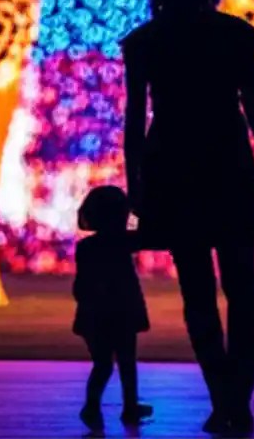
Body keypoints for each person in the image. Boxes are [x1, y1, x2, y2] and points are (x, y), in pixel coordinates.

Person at [123, 0, 254, 436]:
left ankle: (224, 396)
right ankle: (238, 395)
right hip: (226, 162)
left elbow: (135, 125)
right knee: (242, 285)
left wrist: (136, 188)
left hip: (172, 166)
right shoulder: (234, 37)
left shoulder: (145, 43)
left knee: (196, 289)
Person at [73, 185, 153, 435]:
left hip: (95, 315)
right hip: (122, 312)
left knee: (102, 364)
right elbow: (138, 229)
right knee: (127, 362)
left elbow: (81, 286)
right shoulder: (121, 242)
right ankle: (129, 406)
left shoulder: (86, 247)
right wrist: (137, 206)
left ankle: (92, 405)